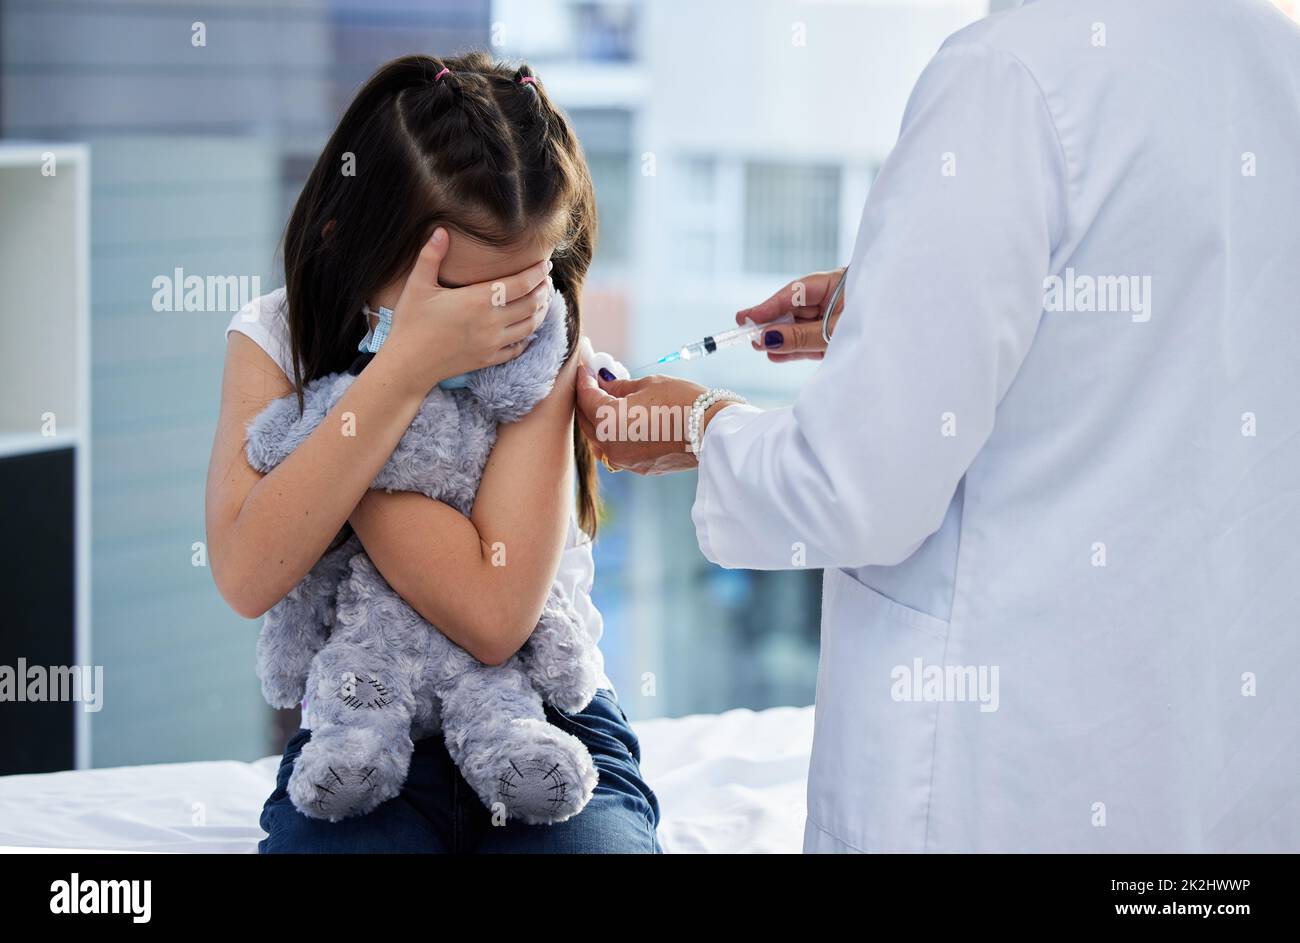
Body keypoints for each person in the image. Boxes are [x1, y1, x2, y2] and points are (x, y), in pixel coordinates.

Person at [577, 0, 1300, 852]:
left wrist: (701, 425)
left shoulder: (1008, 77)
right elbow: (1172, 341)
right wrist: (895, 292)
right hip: (1217, 790)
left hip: (1007, 784)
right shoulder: (1274, 63)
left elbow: (853, 489)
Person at [205, 53, 659, 853]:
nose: (498, 327)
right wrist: (407, 367)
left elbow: (493, 617)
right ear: (355, 243)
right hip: (364, 715)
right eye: (467, 302)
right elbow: (247, 570)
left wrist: (334, 467)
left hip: (541, 718)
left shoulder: (540, 339)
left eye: (523, 290)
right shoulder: (276, 337)